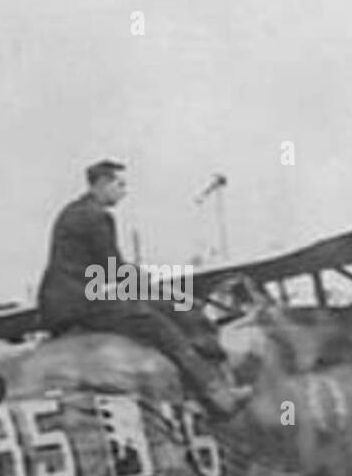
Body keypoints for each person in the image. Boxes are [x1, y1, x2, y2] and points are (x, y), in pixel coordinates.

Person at [36, 160, 250, 418]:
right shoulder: (97, 216)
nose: (124, 191)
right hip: (80, 301)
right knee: (161, 327)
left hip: (64, 300)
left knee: (157, 309)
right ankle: (217, 396)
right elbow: (114, 269)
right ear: (102, 184)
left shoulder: (73, 211)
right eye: (119, 185)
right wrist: (159, 289)